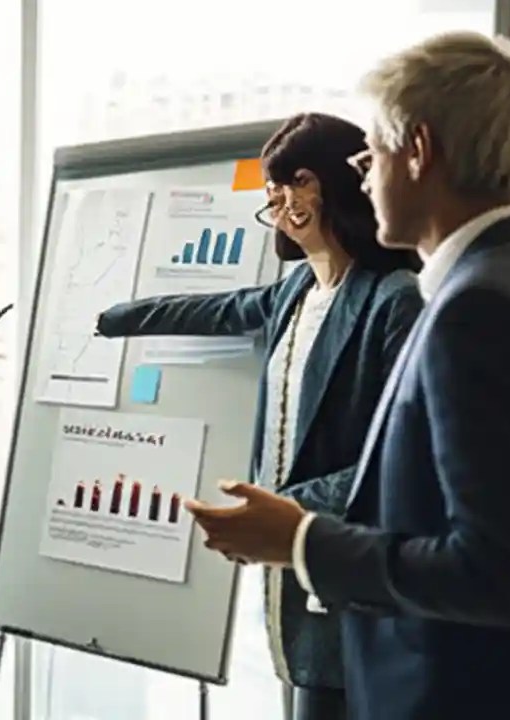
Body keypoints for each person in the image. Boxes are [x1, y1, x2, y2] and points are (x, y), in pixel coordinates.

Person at [184, 31, 510, 719]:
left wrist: (299, 539)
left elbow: (504, 576)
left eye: (371, 156)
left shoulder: (480, 309)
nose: (364, 181)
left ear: (418, 150)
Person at [96, 112, 422, 720]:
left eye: (295, 182)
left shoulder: (393, 299)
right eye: (274, 189)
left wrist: (284, 509)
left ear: (334, 184)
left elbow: (398, 462)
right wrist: (113, 318)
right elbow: (213, 310)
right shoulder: (294, 291)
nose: (280, 201)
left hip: (345, 573)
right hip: (285, 566)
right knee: (294, 679)